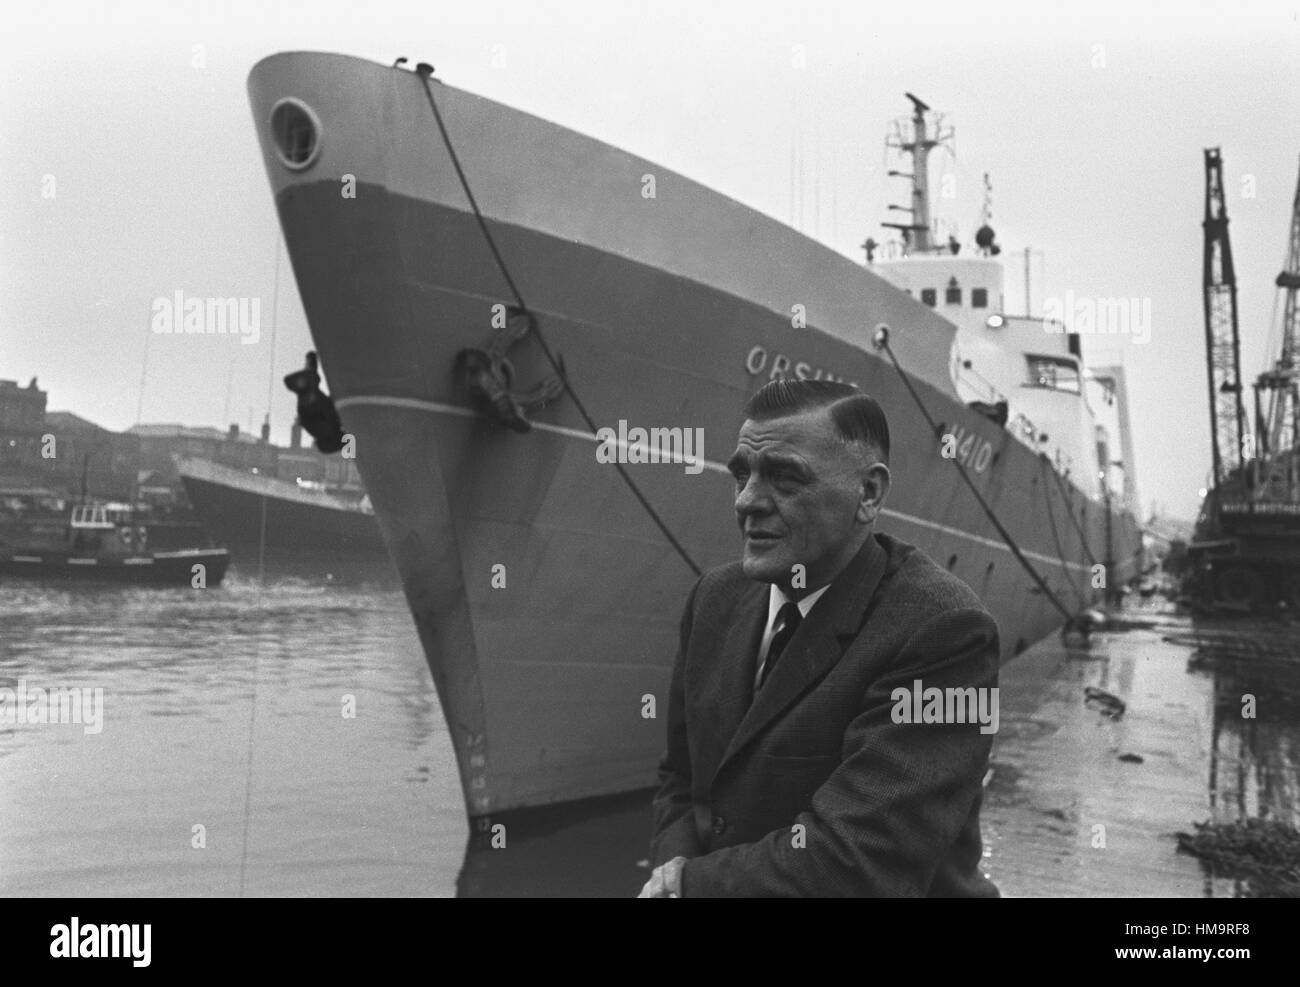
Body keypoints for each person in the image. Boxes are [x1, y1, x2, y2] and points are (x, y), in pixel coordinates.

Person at [640, 378, 1000, 897]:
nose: (747, 502)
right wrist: (671, 866)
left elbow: (864, 857)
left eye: (785, 479)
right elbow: (681, 778)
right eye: (742, 475)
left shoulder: (946, 633)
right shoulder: (714, 600)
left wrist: (688, 888)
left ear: (868, 493)